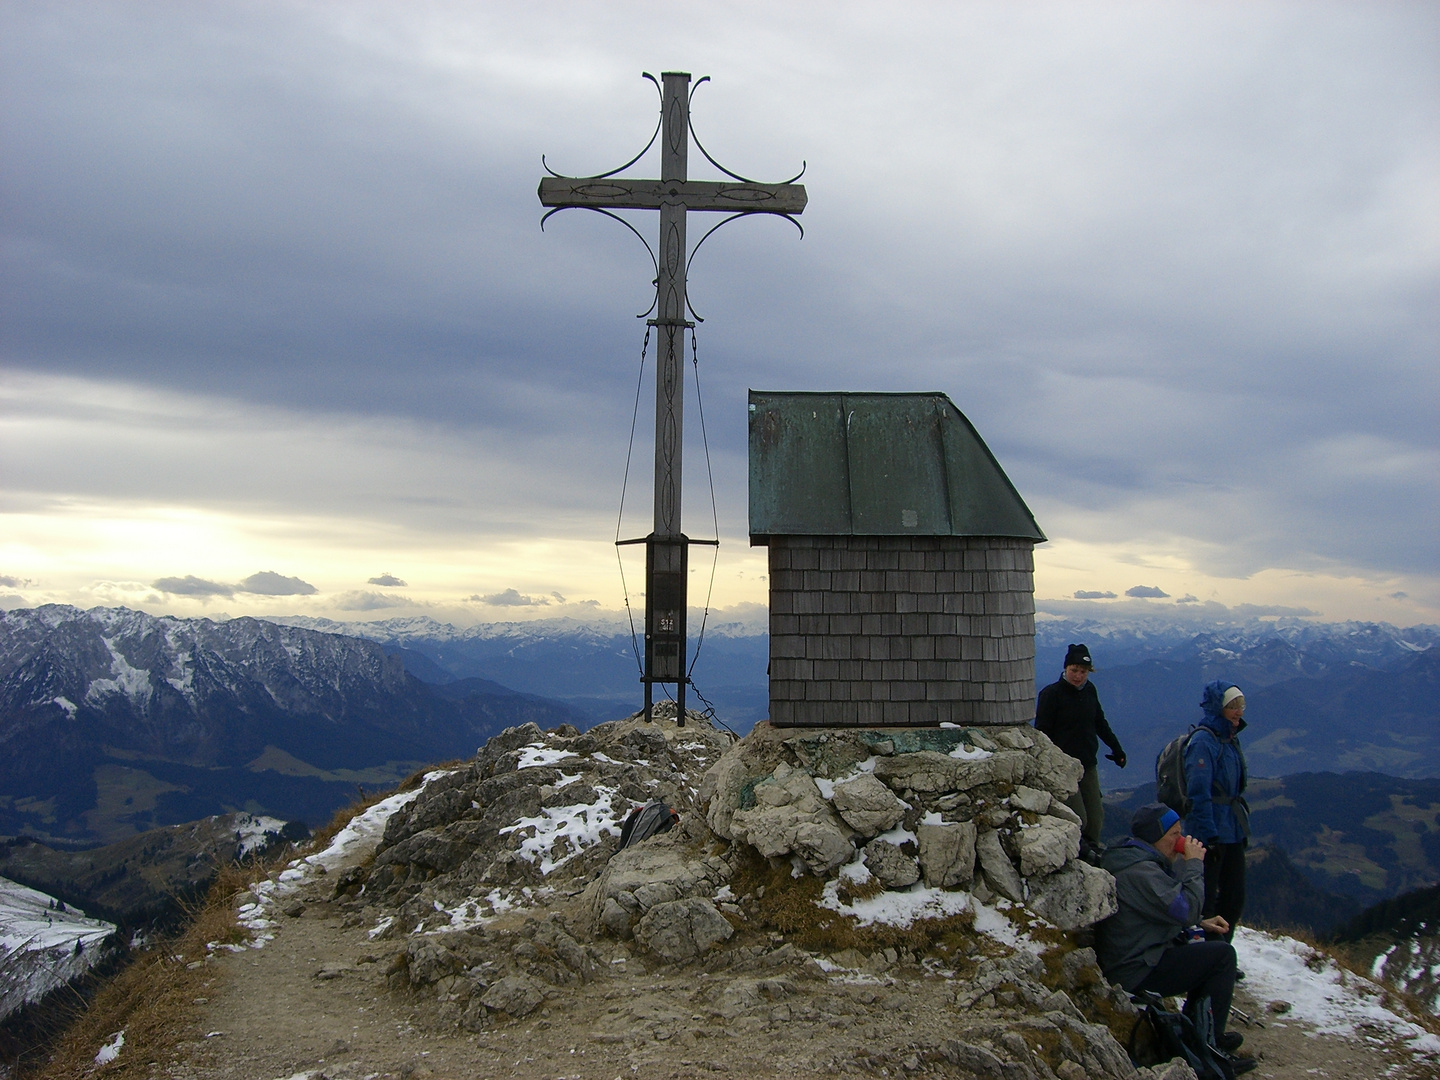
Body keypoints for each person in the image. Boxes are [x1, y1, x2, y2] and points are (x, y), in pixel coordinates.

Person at [1095, 804, 1252, 1067]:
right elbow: (1186, 909)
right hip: (1136, 970)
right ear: (1156, 837)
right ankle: (1208, 1052)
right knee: (1222, 956)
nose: (1180, 841)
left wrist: (1201, 923)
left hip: (1140, 955)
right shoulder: (1142, 872)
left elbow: (1161, 910)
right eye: (1174, 834)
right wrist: (1193, 864)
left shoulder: (1137, 861)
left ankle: (1201, 1033)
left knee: (1212, 941)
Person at [1034, 643, 1126, 857]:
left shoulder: (1090, 691)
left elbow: (1099, 722)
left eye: (1083, 671)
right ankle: (1078, 854)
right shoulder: (1051, 694)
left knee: (1096, 817)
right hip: (1063, 766)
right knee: (1079, 818)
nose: (1078, 676)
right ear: (1066, 668)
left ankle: (1091, 853)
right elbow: (1042, 733)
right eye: (1074, 670)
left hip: (1087, 763)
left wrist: (1117, 749)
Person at [1185, 681, 1251, 946]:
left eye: (1241, 705)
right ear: (1218, 708)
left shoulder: (1229, 738)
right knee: (1207, 899)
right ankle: (1204, 956)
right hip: (1210, 834)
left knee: (1234, 896)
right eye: (1232, 706)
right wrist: (1208, 836)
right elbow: (1198, 792)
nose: (1238, 711)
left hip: (1231, 829)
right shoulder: (1204, 741)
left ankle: (1220, 952)